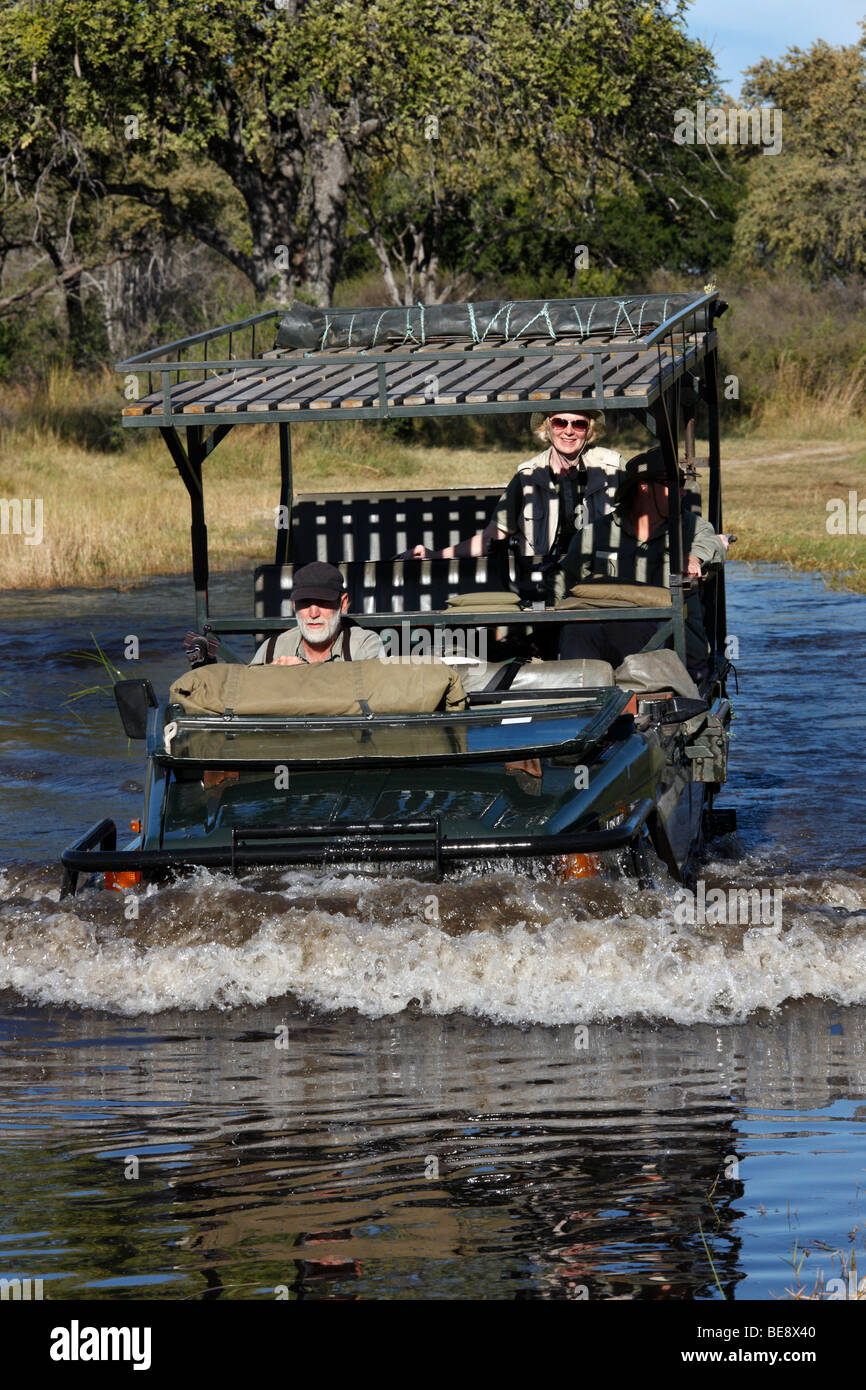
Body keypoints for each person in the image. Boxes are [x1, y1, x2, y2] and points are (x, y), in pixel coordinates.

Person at [558, 448, 726, 676]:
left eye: (682, 484)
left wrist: (693, 559)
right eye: (672, 484)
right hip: (611, 643)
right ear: (644, 487)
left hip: (672, 645)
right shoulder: (597, 534)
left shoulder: (692, 527)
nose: (682, 492)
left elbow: (712, 543)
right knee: (577, 629)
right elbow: (564, 584)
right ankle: (578, 693)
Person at [398, 411, 622, 561]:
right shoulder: (527, 476)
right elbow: (493, 538)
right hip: (545, 583)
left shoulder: (613, 467)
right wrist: (435, 555)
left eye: (579, 424)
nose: (569, 431)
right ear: (548, 427)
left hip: (604, 583)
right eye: (560, 422)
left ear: (589, 430)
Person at [249, 561, 384, 665]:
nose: (313, 614)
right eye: (305, 603)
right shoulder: (271, 649)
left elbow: (376, 696)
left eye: (323, 602)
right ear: (294, 605)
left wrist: (298, 676)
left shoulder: (365, 646)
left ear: (342, 604)